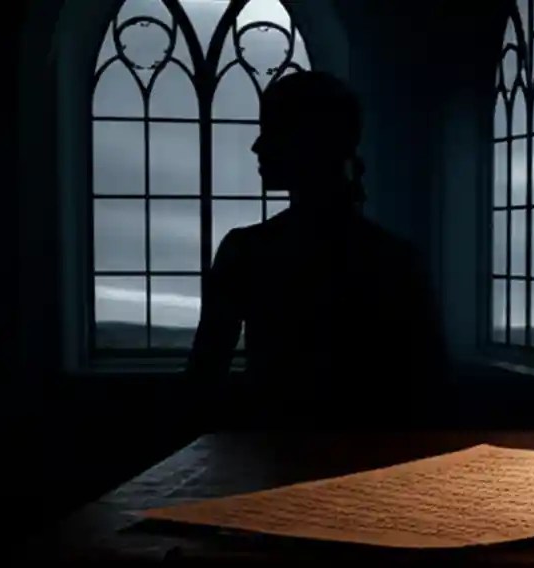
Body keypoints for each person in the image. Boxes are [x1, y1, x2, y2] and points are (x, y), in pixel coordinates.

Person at [187, 71, 446, 429]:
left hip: (267, 463)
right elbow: (426, 392)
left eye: (273, 132)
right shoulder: (396, 259)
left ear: (310, 142)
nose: (257, 146)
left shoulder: (245, 251)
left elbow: (203, 379)